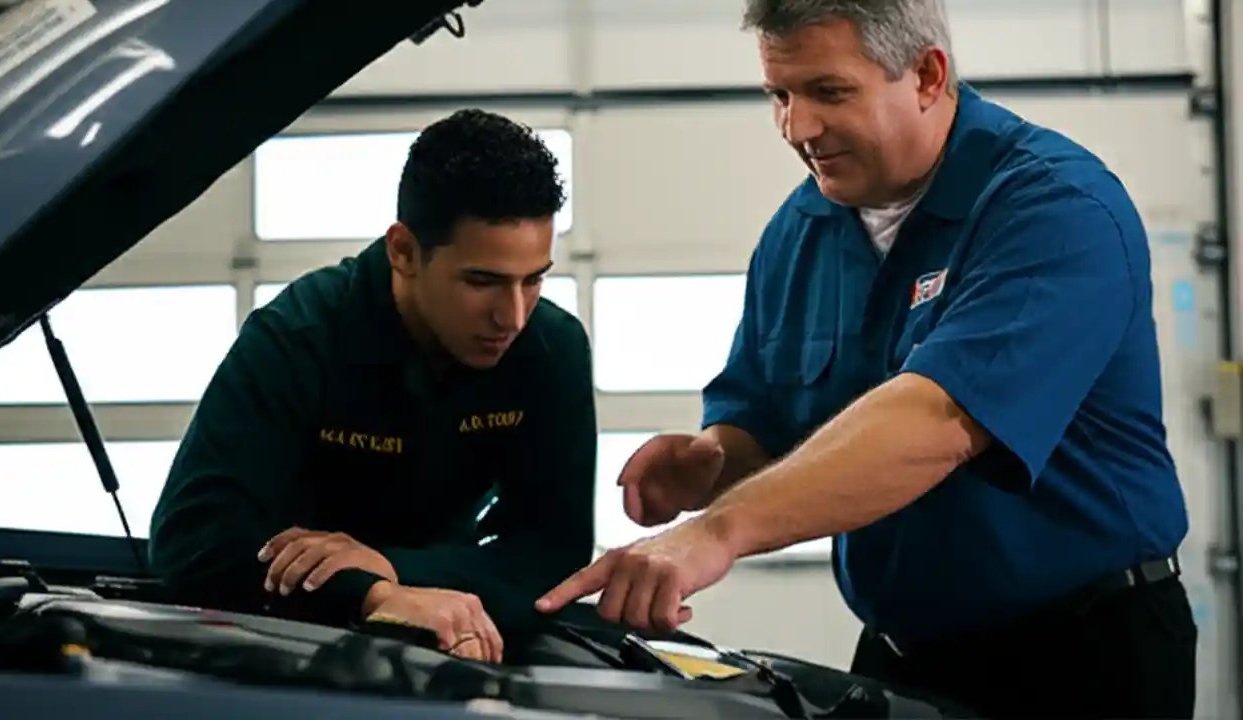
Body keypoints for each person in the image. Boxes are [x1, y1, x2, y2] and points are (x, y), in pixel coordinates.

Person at [535, 1, 1197, 716]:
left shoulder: (1055, 209)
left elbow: (934, 422)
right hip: (902, 653)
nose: (796, 127)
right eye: (780, 95)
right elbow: (769, 421)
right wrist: (713, 462)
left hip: (1081, 657)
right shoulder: (799, 233)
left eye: (828, 92)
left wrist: (715, 533)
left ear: (926, 75)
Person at [149, 108, 597, 664]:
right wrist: (373, 594)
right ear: (404, 252)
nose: (512, 317)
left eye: (533, 280)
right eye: (482, 281)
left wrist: (392, 570)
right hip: (277, 643)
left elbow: (553, 550)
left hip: (452, 642)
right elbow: (192, 540)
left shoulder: (552, 348)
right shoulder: (297, 336)